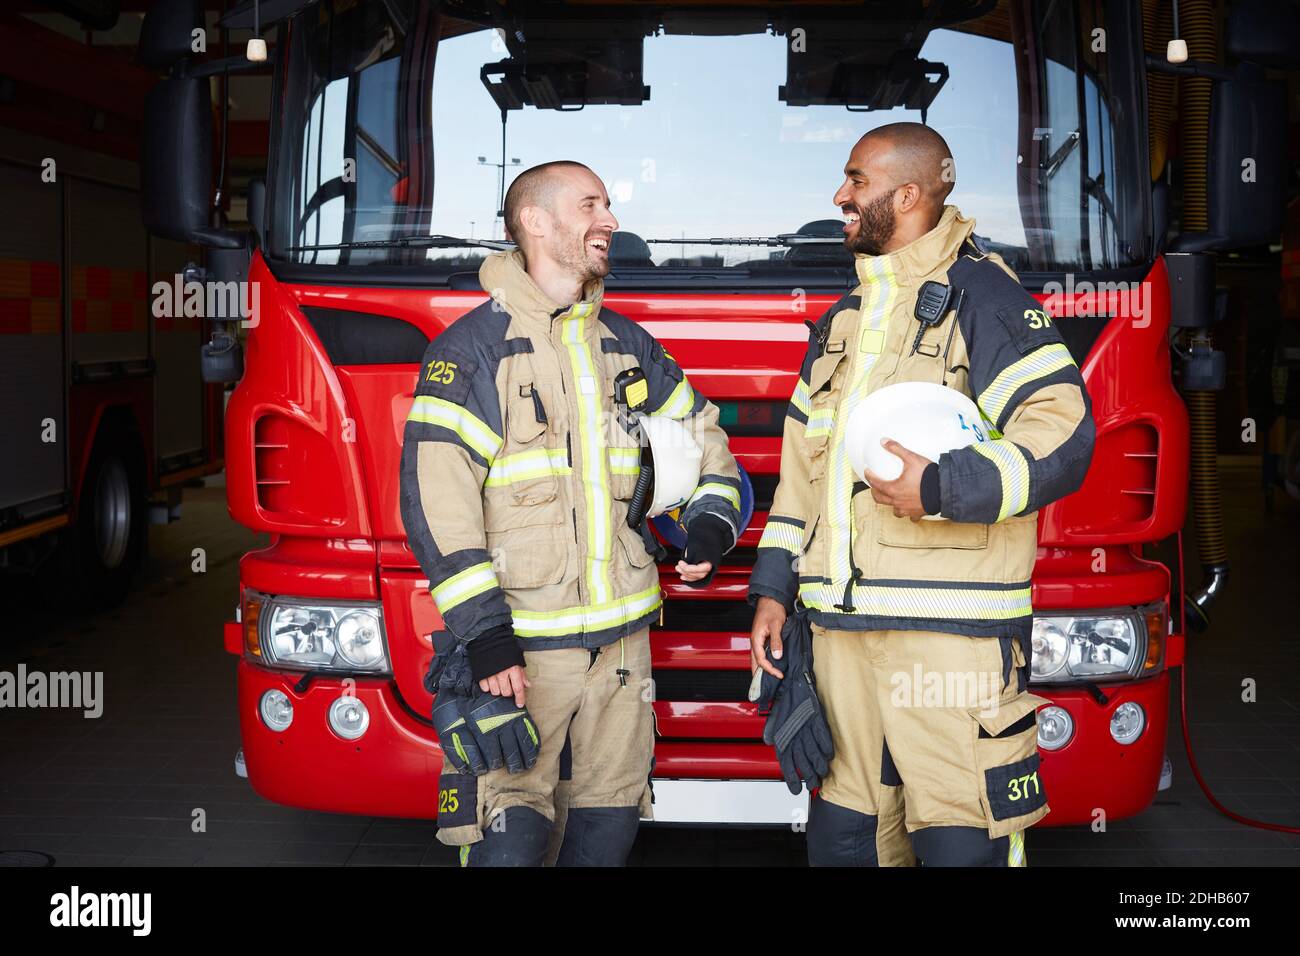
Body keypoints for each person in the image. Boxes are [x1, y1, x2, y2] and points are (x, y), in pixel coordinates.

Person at [748, 123, 1095, 867]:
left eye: (856, 182)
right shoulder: (844, 321)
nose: (840, 197)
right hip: (840, 642)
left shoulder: (987, 299)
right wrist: (774, 591)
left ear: (907, 195)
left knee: (957, 845)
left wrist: (940, 486)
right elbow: (802, 479)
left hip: (954, 647)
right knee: (845, 842)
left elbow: (1063, 440)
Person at [400, 160, 742, 866]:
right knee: (510, 835)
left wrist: (708, 519)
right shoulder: (470, 352)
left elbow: (704, 434)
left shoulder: (626, 345)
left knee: (609, 826)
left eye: (609, 205)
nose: (610, 221)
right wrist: (486, 638)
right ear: (536, 222)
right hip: (522, 655)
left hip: (623, 652)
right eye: (591, 205)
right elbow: (437, 504)